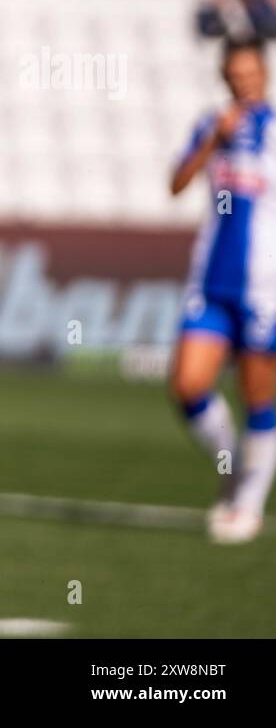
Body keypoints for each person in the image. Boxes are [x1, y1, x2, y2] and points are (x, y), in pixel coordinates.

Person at [169, 36, 276, 544]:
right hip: (211, 281)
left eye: (251, 74)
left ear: (265, 75)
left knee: (258, 393)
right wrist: (215, 139)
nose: (245, 83)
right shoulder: (213, 125)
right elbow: (176, 182)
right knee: (188, 385)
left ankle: (248, 503)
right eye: (236, 76)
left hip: (264, 288)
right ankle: (232, 465)